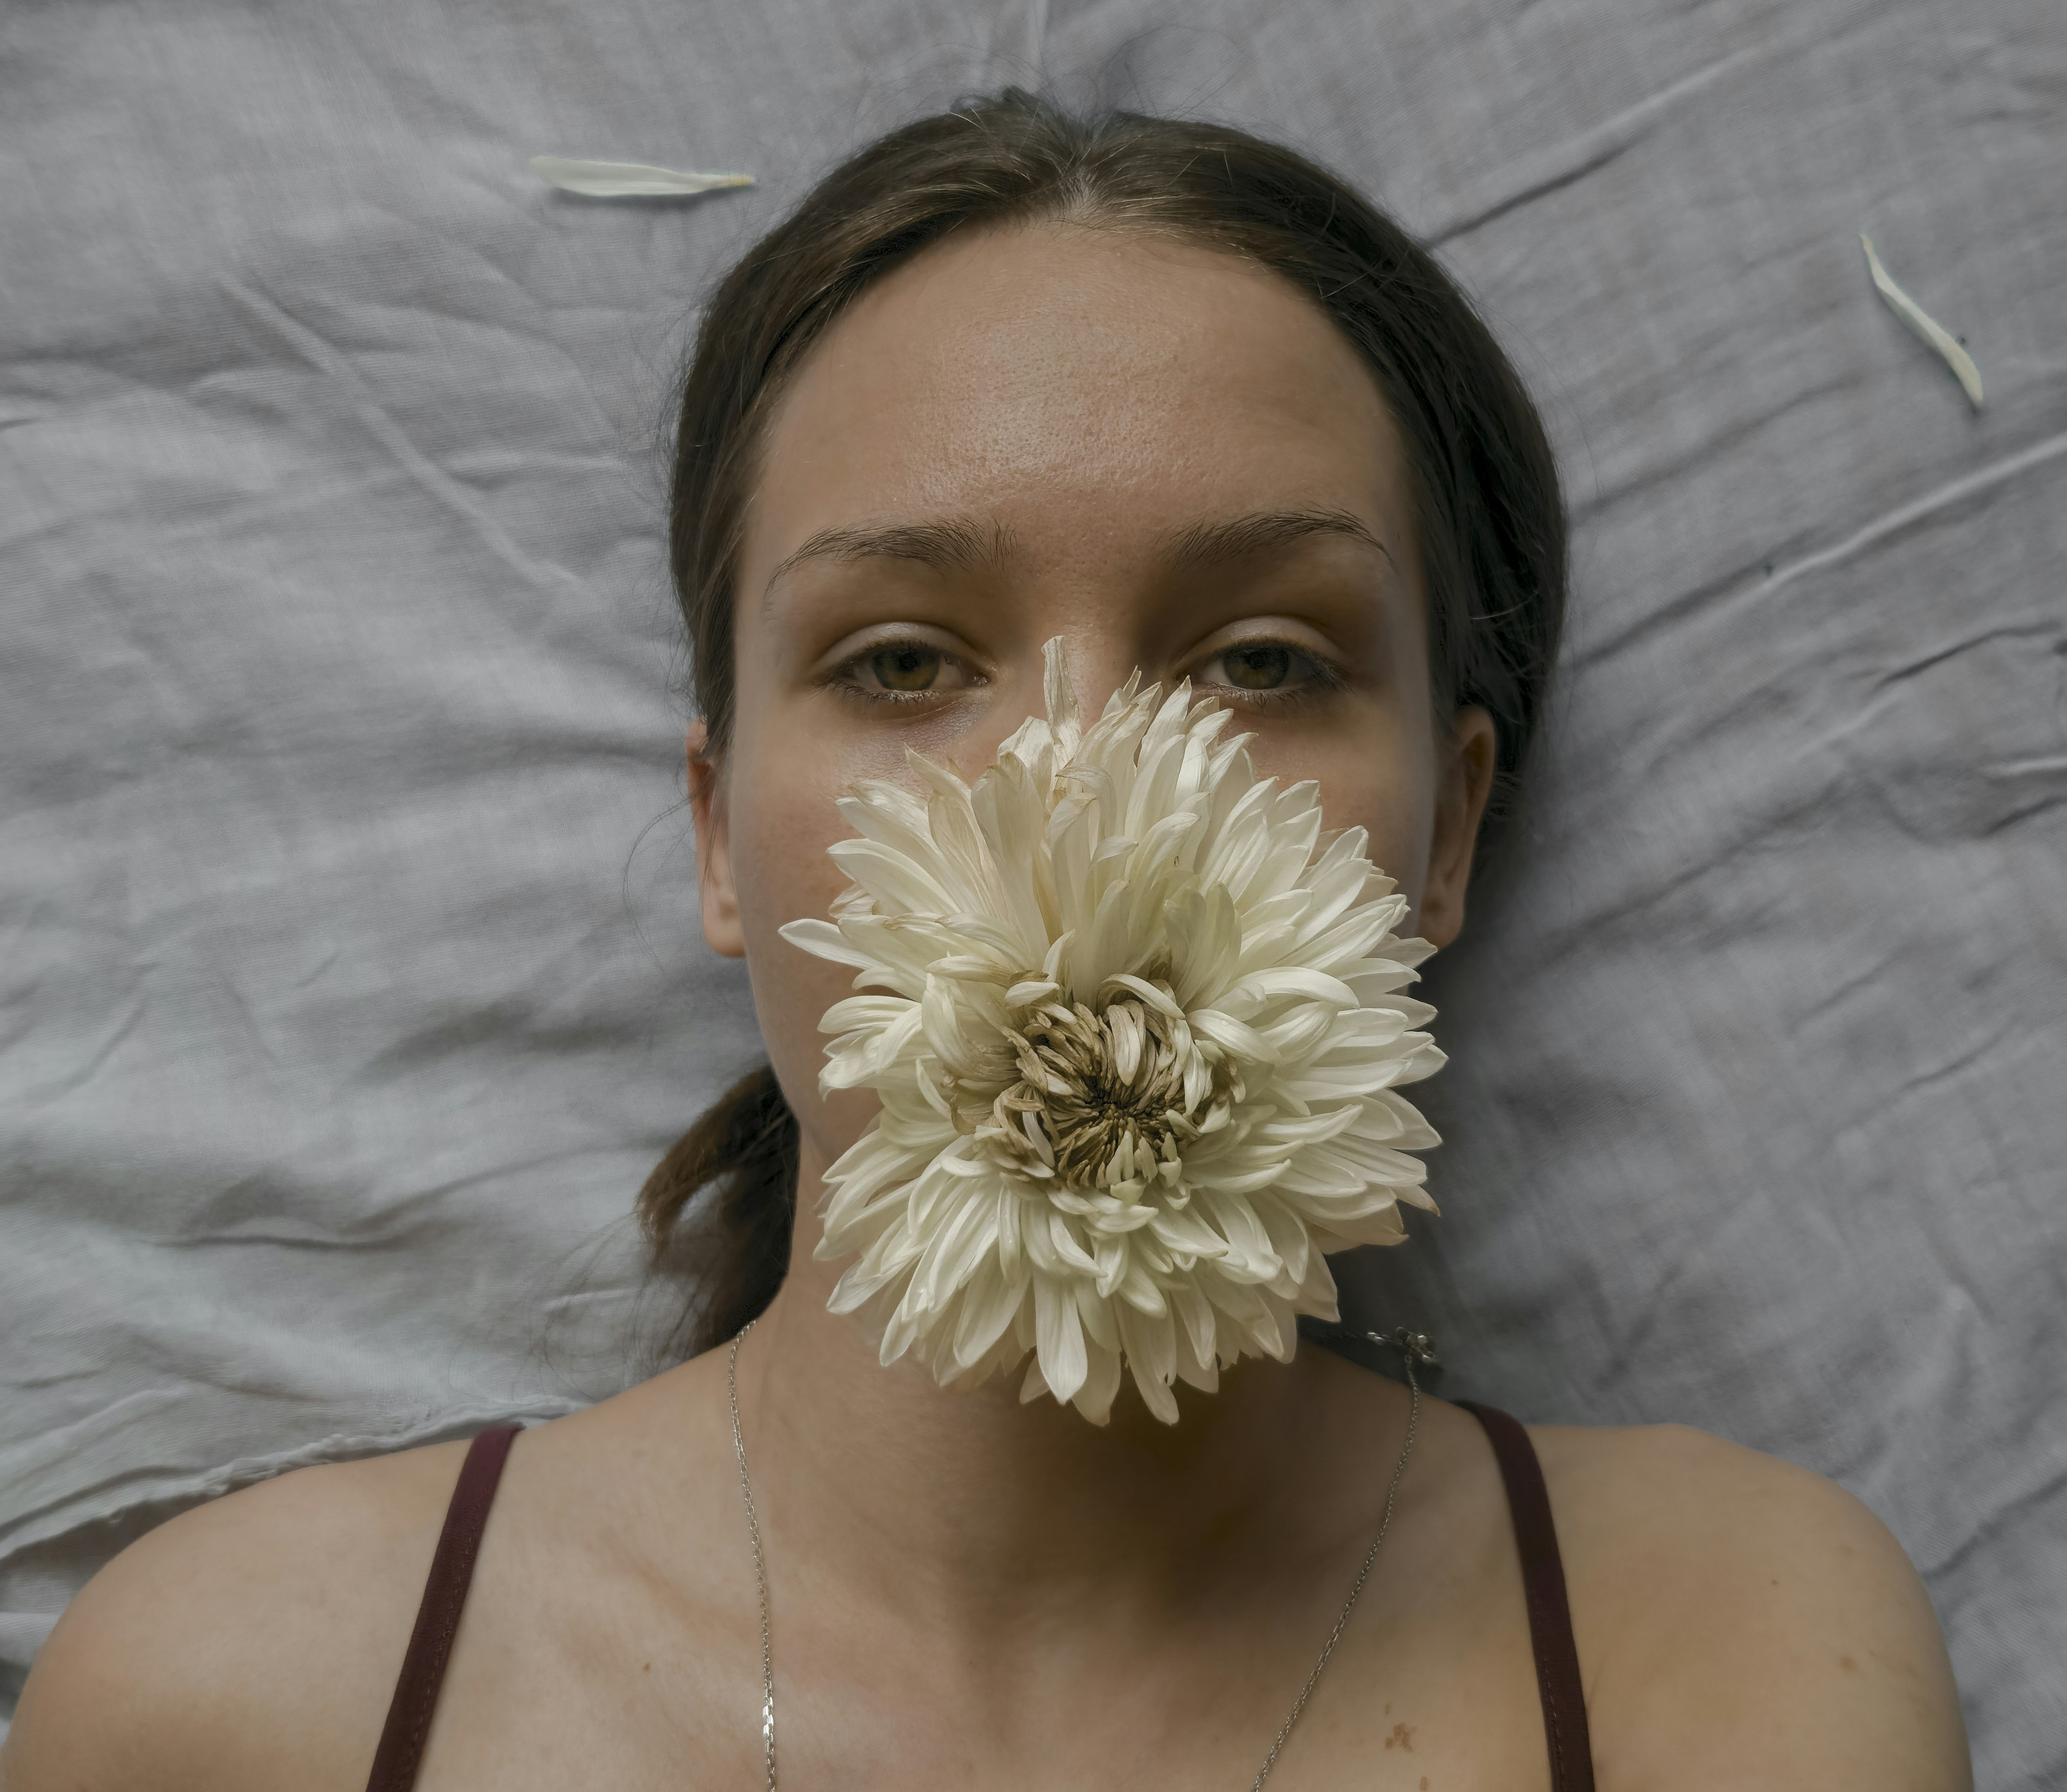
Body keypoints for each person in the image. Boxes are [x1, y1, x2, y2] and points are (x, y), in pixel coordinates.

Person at [1, 95, 1971, 1792]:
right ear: (719, 833)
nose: (1077, 783)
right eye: (903, 660)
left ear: (1443, 830)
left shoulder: (1730, 1657)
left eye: (1262, 658)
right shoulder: (240, 1703)